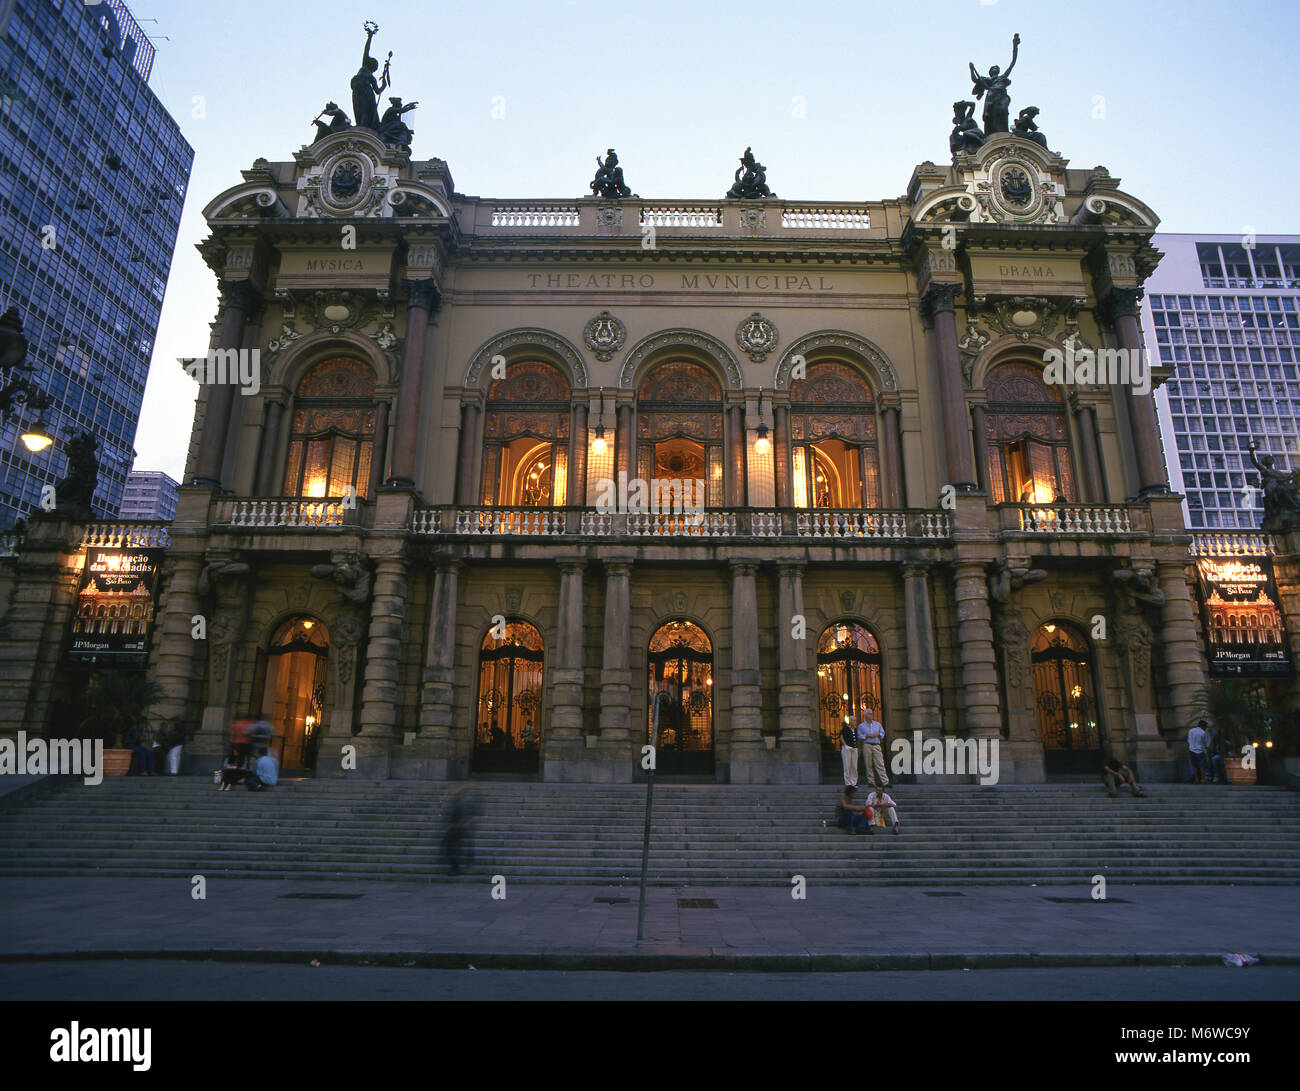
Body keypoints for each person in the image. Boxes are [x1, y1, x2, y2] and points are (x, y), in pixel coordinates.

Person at [441, 784, 478, 874]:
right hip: (455, 829)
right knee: (450, 849)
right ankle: (458, 866)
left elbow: (462, 816)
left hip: (457, 829)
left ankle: (457, 867)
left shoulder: (459, 802)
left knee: (450, 849)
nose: (450, 792)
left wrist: (458, 825)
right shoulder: (454, 802)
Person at [857, 707, 889, 788]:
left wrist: (878, 734)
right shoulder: (861, 726)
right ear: (865, 715)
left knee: (880, 763)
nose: (871, 715)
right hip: (867, 744)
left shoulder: (877, 724)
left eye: (871, 713)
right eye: (869, 714)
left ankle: (885, 782)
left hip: (876, 745)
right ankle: (871, 781)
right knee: (868, 764)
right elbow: (859, 735)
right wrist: (867, 735)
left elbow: (882, 733)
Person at [1187, 719, 1210, 784]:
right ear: (1204, 726)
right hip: (1200, 751)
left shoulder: (1191, 731)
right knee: (1202, 766)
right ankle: (1203, 779)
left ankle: (1197, 779)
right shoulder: (1203, 733)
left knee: (1194, 766)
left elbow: (1188, 740)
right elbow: (1206, 744)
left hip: (1191, 750)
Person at [839, 719, 858, 787]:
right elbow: (841, 737)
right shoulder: (845, 729)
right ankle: (848, 783)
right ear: (850, 721)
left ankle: (854, 782)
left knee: (854, 766)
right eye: (853, 720)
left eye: (855, 720)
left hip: (854, 748)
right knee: (847, 766)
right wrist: (845, 745)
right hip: (847, 749)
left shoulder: (855, 729)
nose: (854, 722)